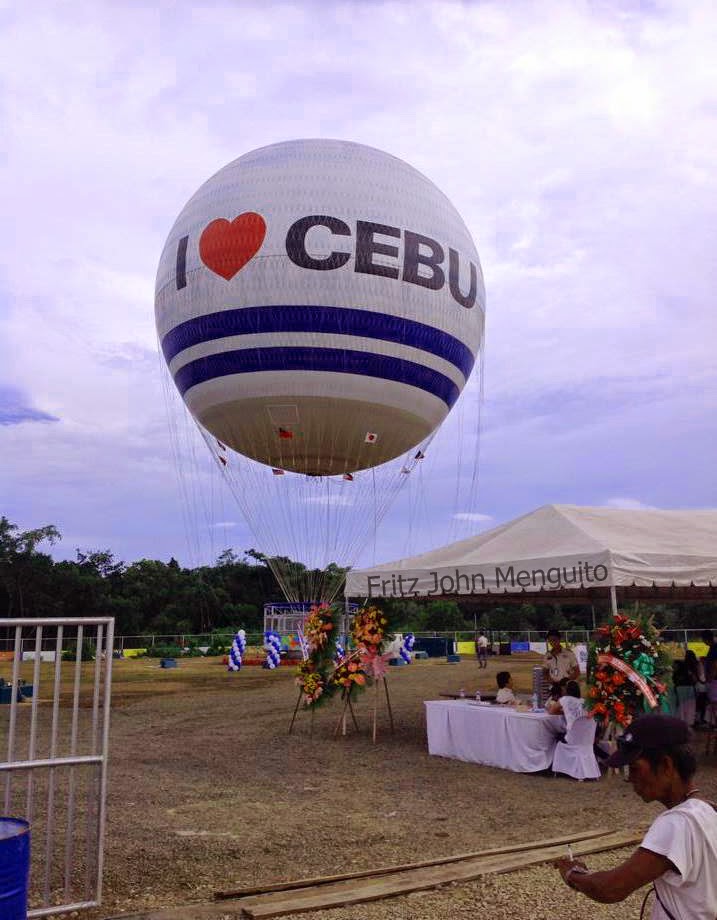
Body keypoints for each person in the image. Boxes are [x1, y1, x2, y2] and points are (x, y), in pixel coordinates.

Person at [554, 714, 717, 919]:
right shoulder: (709, 809)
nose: (630, 778)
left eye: (634, 768)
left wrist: (573, 874)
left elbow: (611, 888)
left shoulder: (676, 823)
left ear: (666, 766)